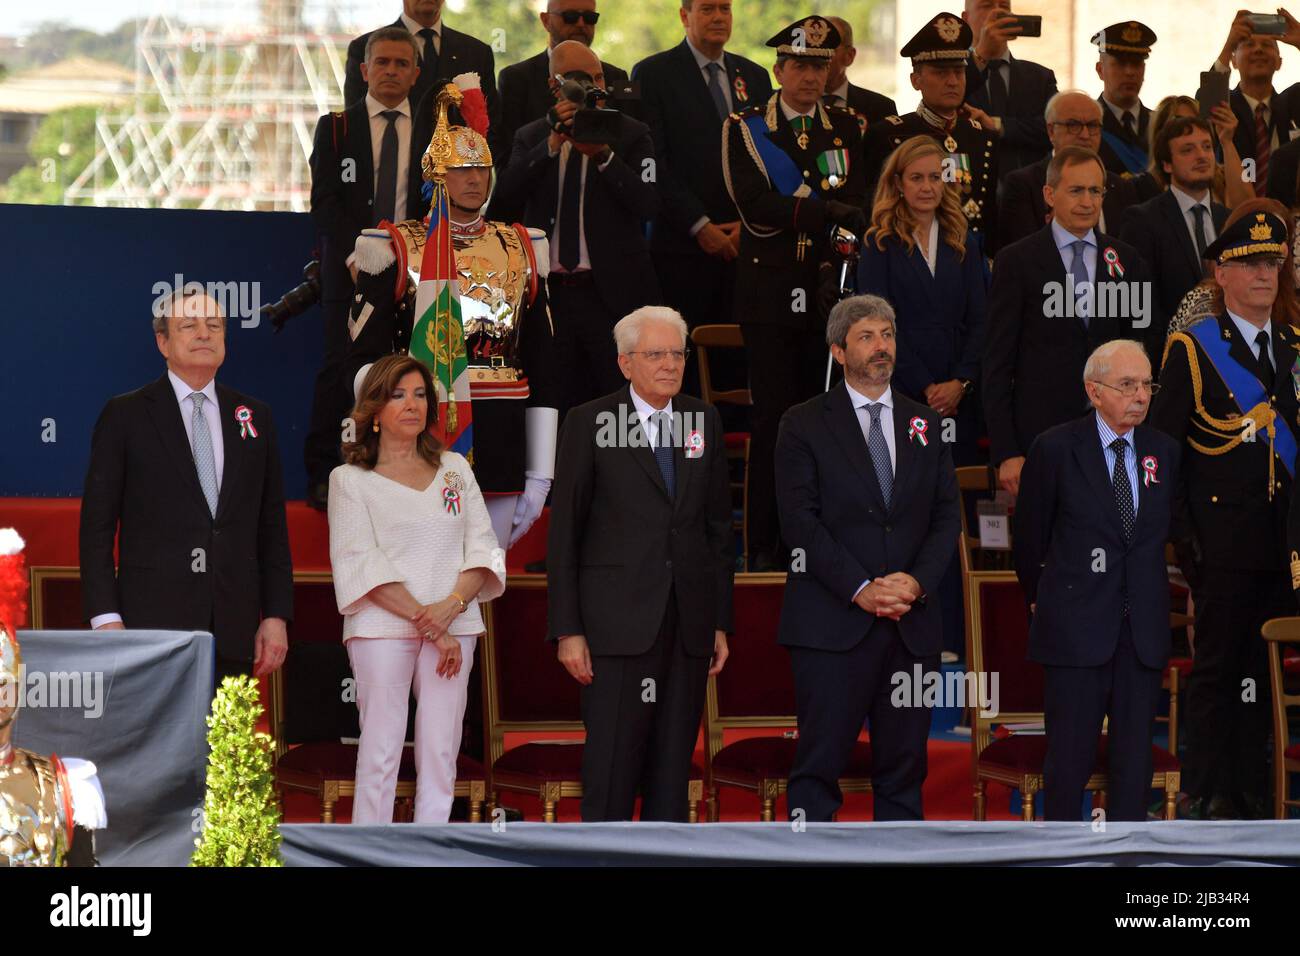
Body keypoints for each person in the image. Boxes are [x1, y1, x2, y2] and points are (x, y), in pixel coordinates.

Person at [347, 74, 560, 552]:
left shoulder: (525, 246)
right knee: (421, 573)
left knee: (482, 582)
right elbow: (363, 360)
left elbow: (545, 362)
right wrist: (387, 434)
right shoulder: (393, 246)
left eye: (481, 168)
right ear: (436, 175)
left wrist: (541, 470)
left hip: (504, 438)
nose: (474, 179)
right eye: (461, 169)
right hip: (418, 437)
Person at [776, 295, 960, 822]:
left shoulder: (926, 424)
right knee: (817, 773)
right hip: (832, 626)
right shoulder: (803, 423)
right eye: (866, 337)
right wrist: (861, 588)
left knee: (904, 774)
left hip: (910, 626)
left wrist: (916, 584)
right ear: (838, 351)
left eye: (887, 335)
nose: (881, 347)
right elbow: (800, 524)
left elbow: (947, 518)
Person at [547, 307, 734, 822]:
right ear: (625, 363)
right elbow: (564, 535)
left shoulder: (703, 419)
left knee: (672, 772)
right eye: (656, 354)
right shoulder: (590, 421)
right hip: (614, 629)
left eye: (677, 354)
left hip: (688, 626)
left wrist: (719, 619)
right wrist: (568, 629)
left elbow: (718, 529)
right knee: (610, 769)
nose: (671, 364)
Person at [1149, 207, 1300, 820]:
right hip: (1222, 541)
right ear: (1221, 271)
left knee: (1270, 674)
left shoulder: (1294, 346)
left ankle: (1264, 789)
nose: (1265, 274)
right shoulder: (1194, 349)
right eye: (1251, 263)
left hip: (1286, 544)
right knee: (1220, 669)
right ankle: (1208, 790)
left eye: (1273, 262)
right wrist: (1185, 539)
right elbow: (1163, 454)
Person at [79, 289, 294, 682]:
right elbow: (96, 527)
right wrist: (105, 618)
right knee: (156, 744)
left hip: (234, 628)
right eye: (189, 326)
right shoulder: (126, 415)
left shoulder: (254, 416)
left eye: (214, 326)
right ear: (163, 342)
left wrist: (275, 616)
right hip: (149, 628)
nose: (204, 334)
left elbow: (271, 527)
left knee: (225, 744)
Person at [328, 355, 505, 824]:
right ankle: (370, 856)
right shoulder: (349, 480)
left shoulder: (455, 469)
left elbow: (483, 549)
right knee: (381, 750)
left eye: (421, 394)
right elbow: (361, 563)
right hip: (382, 628)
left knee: (441, 751)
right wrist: (431, 624)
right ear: (374, 409)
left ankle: (432, 854)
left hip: (455, 623)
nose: (412, 404)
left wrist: (448, 611)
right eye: (398, 395)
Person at [722, 14, 867, 572]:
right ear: (779, 69)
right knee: (774, 418)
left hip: (829, 288)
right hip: (771, 291)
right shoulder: (745, 127)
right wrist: (824, 212)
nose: (810, 76)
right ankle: (765, 542)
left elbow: (857, 202)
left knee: (829, 416)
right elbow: (755, 206)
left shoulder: (848, 126)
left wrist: (835, 234)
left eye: (819, 65)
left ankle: (822, 541)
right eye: (800, 65)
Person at [1015, 340, 1180, 821]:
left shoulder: (1163, 452)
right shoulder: (1055, 448)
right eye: (1127, 385)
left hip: (1141, 636)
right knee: (1067, 765)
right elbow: (1029, 543)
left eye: (1147, 384)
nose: (1141, 395)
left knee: (1134, 766)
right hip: (1074, 632)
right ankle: (1059, 859)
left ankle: (1128, 863)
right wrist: (1045, 601)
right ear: (1094, 390)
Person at [494, 40, 661, 414]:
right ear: (556, 86)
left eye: (596, 77)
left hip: (611, 296)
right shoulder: (532, 136)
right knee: (551, 400)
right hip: (550, 298)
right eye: (578, 79)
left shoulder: (631, 133)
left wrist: (604, 156)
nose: (590, 87)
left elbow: (649, 204)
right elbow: (503, 200)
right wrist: (551, 145)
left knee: (619, 400)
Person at [305, 26, 433, 510]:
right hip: (351, 269)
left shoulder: (434, 133)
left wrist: (413, 256)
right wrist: (357, 255)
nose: (392, 72)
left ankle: (405, 469)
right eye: (382, 63)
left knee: (408, 369)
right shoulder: (336, 127)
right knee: (340, 368)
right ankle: (323, 473)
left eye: (402, 64)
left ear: (416, 74)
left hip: (414, 271)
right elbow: (324, 203)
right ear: (364, 71)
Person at [983, 146, 1152, 498]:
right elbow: (997, 363)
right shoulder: (1016, 262)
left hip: (1114, 434)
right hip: (1039, 439)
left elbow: (1142, 350)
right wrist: (1007, 451)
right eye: (1076, 190)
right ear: (1049, 194)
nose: (1087, 201)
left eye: (1095, 191)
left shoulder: (1126, 260)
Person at [632, 0, 772, 376]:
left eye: (725, 9)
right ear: (684, 16)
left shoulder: (754, 76)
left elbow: (767, 160)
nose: (718, 18)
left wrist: (750, 224)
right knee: (683, 363)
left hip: (746, 245)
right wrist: (699, 224)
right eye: (707, 9)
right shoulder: (654, 73)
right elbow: (652, 163)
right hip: (682, 248)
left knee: (743, 366)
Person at [858, 135, 986, 464]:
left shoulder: (964, 241)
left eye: (935, 177)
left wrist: (961, 382)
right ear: (898, 183)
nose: (927, 187)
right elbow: (877, 325)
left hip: (960, 390)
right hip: (901, 384)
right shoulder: (879, 243)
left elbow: (981, 319)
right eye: (917, 178)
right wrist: (926, 386)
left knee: (959, 482)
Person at [863, 13, 998, 242]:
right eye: (941, 73)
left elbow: (989, 214)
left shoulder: (979, 135)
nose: (953, 81)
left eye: (958, 71)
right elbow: (873, 211)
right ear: (916, 81)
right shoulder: (889, 135)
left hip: (970, 255)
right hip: (909, 253)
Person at [1120, 116, 1231, 349]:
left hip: (1231, 355)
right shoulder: (1142, 220)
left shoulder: (1229, 219)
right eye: (1187, 150)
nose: (1201, 156)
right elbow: (1140, 304)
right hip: (1171, 356)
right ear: (1166, 164)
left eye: (1207, 147)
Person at [344, 0, 501, 153]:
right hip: (389, 166)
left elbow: (491, 126)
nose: (391, 69)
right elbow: (356, 122)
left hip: (458, 172)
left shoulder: (476, 53)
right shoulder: (365, 47)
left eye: (401, 63)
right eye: (383, 63)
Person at [495, 0, 629, 169]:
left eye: (590, 17)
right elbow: (506, 161)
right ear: (545, 20)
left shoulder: (618, 77)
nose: (581, 24)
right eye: (570, 16)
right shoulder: (515, 78)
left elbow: (633, 144)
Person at [997, 90, 1138, 250]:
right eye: (1073, 125)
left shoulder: (1121, 187)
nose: (1085, 135)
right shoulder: (1023, 184)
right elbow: (1021, 255)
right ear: (1051, 131)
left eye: (1092, 125)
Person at [1167, 197, 1300, 338]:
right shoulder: (1204, 302)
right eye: (1252, 263)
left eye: (1281, 238)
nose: (1279, 246)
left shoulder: (1288, 299)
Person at [1208, 10, 1300, 198]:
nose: (1258, 50)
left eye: (1267, 45)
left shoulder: (1293, 102)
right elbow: (1207, 102)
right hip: (1233, 211)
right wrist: (1229, 45)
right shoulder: (1225, 105)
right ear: (1233, 60)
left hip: (1288, 212)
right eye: (1248, 44)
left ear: (1279, 62)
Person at [961, 0, 1056, 180]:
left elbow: (1055, 128)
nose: (997, 12)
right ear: (966, 19)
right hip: (971, 187)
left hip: (1029, 191)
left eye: (1004, 7)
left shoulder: (1040, 78)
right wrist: (981, 53)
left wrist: (998, 125)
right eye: (987, 5)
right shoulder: (953, 74)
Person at [1127, 96, 1248, 208]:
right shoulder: (1139, 188)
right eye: (1179, 126)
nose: (1192, 132)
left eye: (1198, 122)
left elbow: (1246, 213)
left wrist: (1227, 142)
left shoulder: (1223, 177)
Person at [1092, 21, 1157, 177]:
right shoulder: (1087, 127)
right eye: (1120, 64)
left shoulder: (1161, 124)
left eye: (1136, 64)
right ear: (1100, 70)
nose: (1130, 72)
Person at [823, 16, 896, 124]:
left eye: (828, 50)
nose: (819, 59)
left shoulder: (881, 108)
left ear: (849, 56)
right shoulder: (794, 104)